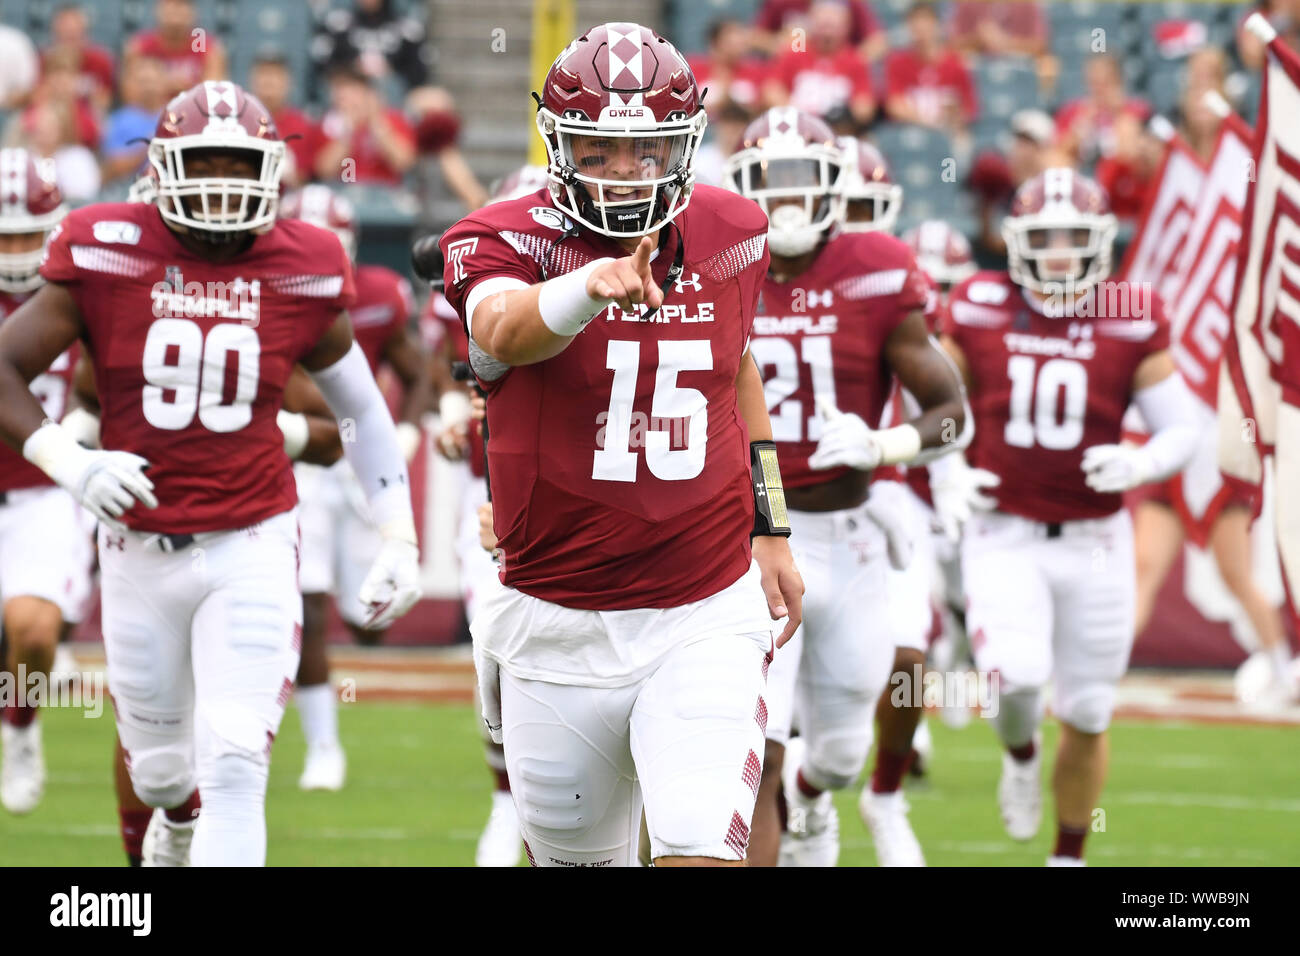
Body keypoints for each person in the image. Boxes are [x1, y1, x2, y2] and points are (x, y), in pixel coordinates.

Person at [0, 81, 422, 867]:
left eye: (238, 162)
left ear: (272, 169)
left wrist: (396, 529)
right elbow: (5, 363)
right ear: (161, 167)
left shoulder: (304, 261)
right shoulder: (103, 245)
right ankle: (175, 824)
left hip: (251, 540)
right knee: (162, 775)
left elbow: (359, 408)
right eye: (204, 161)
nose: (222, 182)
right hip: (136, 546)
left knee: (232, 762)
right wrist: (68, 458)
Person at [438, 22, 804, 867]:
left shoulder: (731, 231)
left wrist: (773, 525)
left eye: (647, 151)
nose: (624, 173)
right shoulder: (503, 237)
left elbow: (736, 371)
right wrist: (584, 290)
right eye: (599, 150)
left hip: (702, 604)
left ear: (684, 145)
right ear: (559, 143)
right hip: (557, 611)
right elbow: (500, 329)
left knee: (696, 845)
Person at [939, 168, 1200, 865]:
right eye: (1045, 238)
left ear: (1101, 243)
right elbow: (926, 403)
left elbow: (1183, 428)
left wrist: (1143, 464)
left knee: (1088, 711)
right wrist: (945, 465)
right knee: (1017, 678)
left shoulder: (1130, 312)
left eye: (1074, 238)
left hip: (1096, 539)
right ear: (1015, 242)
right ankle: (1021, 753)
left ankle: (1068, 856)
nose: (1058, 253)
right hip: (1005, 531)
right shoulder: (979, 303)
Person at [728, 121, 968, 867]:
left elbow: (951, 409)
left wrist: (882, 445)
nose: (790, 197)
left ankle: (815, 795)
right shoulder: (720, 265)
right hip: (757, 535)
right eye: (774, 178)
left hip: (852, 534)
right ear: (745, 184)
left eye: (805, 176)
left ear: (837, 185)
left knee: (833, 757)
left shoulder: (878, 266)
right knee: (755, 752)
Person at [280, 183, 430, 791]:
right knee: (307, 608)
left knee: (369, 618)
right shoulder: (269, 293)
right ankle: (324, 748)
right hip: (307, 457)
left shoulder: (377, 296)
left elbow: (414, 370)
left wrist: (410, 428)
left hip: (361, 462)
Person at [0, 148, 92, 816]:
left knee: (33, 632)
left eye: (30, 234)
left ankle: (21, 731)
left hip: (44, 487)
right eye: (6, 236)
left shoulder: (80, 290)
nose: (17, 250)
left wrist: (88, 423)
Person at [763, 0, 876, 129]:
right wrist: (794, 113)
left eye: (833, 24)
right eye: (823, 24)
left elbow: (865, 106)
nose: (827, 32)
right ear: (811, 22)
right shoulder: (794, 52)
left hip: (838, 131)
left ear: (847, 26)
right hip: (796, 128)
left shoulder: (856, 59)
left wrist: (844, 116)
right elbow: (771, 90)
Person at [883, 2, 978, 135]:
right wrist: (929, 121)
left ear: (937, 26)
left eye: (925, 26)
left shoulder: (956, 64)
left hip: (948, 133)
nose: (921, 33)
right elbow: (894, 106)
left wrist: (955, 115)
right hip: (910, 132)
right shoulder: (898, 62)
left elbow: (969, 109)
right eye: (916, 27)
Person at [315, 66, 416, 186]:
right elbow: (324, 171)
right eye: (339, 91)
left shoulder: (393, 118)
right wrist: (348, 131)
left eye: (352, 90)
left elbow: (403, 163)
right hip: (344, 188)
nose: (345, 98)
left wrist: (377, 122)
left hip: (385, 191)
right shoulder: (329, 124)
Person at [312, 0, 431, 93]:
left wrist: (391, 72)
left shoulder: (406, 29)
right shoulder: (339, 26)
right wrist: (353, 69)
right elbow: (325, 68)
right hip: (351, 92)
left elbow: (418, 74)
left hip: (392, 97)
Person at [248, 53, 321, 189]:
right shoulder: (240, 123)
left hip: (287, 200)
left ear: (288, 82)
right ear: (252, 80)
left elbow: (307, 177)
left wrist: (289, 174)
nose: (269, 81)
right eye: (263, 74)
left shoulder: (303, 126)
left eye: (276, 75)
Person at [127, 0, 228, 97]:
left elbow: (214, 91)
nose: (175, 12)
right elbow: (131, 94)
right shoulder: (142, 46)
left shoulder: (205, 45)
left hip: (194, 111)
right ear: (158, 10)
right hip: (152, 113)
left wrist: (165, 85)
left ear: (193, 11)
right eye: (170, 4)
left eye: (182, 5)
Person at [100, 56, 169, 185]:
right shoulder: (118, 120)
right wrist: (150, 146)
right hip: (128, 188)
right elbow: (113, 167)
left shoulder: (174, 116)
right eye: (143, 82)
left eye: (153, 81)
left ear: (164, 83)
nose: (149, 87)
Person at [753, 0, 887, 63]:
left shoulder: (853, 3)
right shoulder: (782, 3)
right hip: (795, 69)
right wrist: (781, 48)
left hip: (839, 77)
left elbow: (878, 42)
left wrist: (849, 64)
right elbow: (755, 37)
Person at [42, 4, 117, 113]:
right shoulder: (45, 58)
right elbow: (38, 99)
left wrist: (79, 90)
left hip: (89, 116)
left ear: (85, 30)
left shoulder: (101, 60)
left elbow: (106, 101)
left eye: (74, 29)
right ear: (55, 30)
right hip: (53, 116)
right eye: (65, 29)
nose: (70, 32)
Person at [688, 20, 766, 120]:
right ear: (714, 43)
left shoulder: (756, 70)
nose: (737, 44)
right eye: (730, 41)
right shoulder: (693, 70)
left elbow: (760, 110)